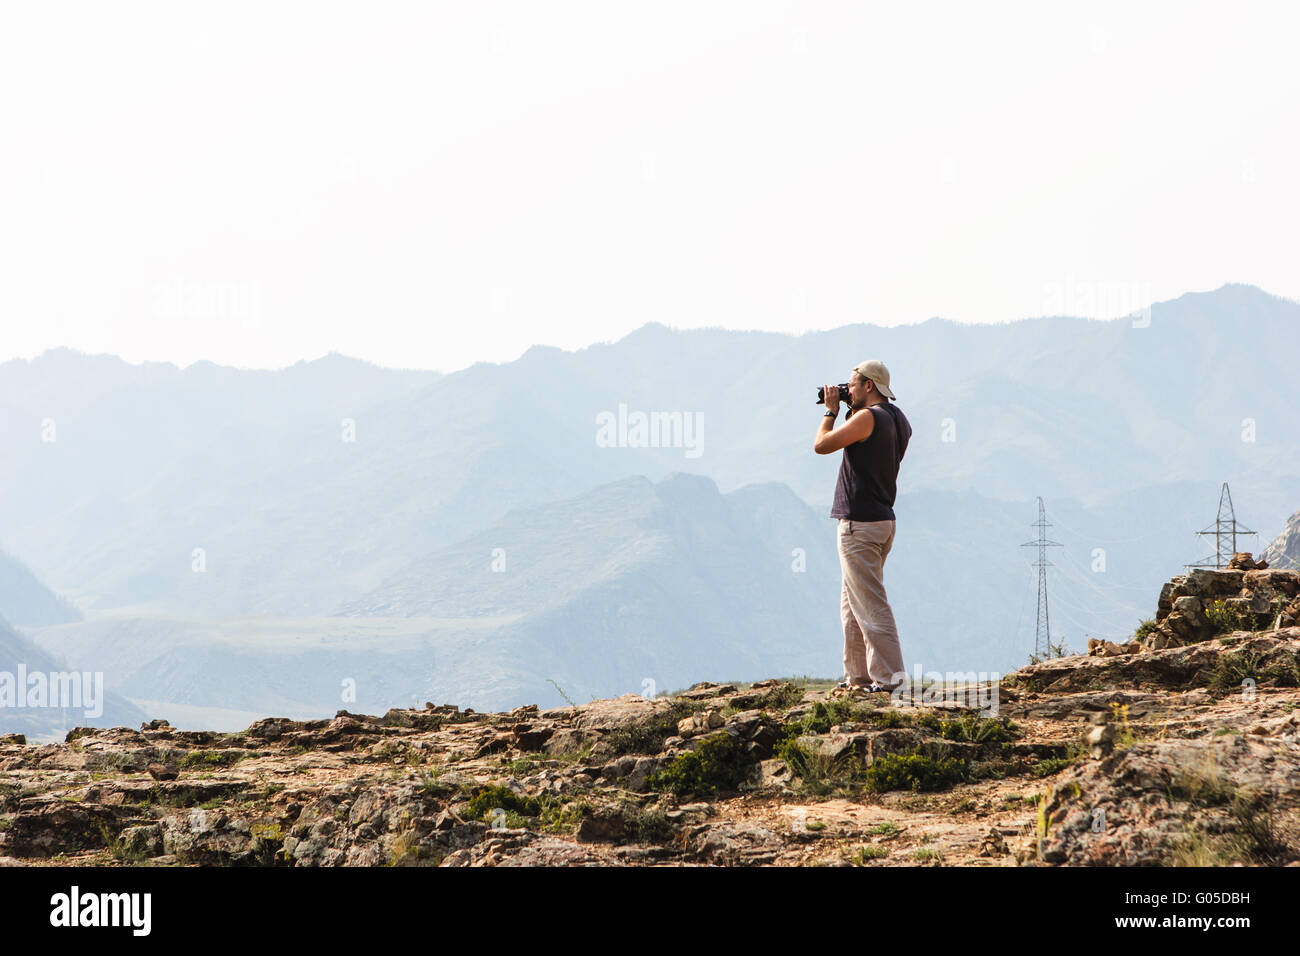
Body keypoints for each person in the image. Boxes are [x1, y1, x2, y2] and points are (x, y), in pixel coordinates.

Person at [813, 360, 911, 693]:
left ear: (869, 386)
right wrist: (848, 408)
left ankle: (890, 683)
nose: (846, 390)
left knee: (870, 606)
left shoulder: (868, 418)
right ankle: (858, 679)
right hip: (883, 522)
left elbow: (822, 445)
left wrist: (830, 412)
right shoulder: (898, 420)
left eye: (852, 384)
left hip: (860, 525)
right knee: (852, 605)